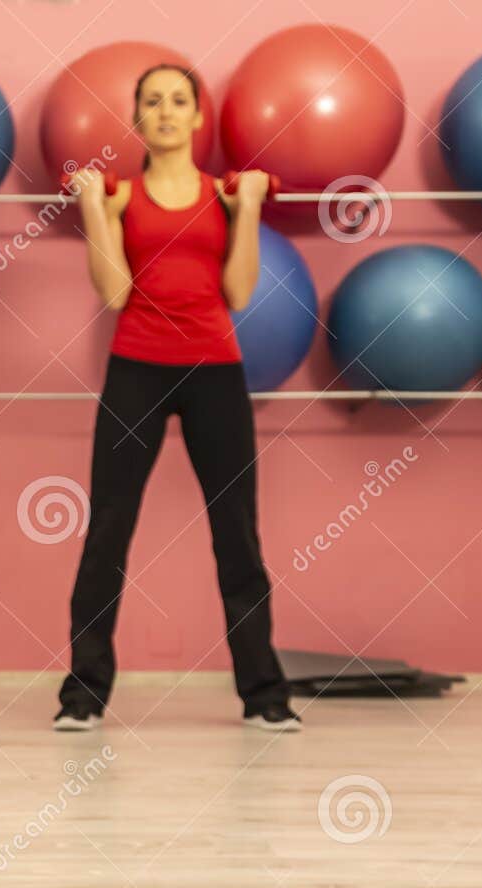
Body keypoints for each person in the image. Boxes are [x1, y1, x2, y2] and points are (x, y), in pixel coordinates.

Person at [54, 64, 299, 734]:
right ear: (138, 120)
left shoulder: (223, 197)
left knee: (238, 537)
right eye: (152, 101)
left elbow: (241, 292)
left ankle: (264, 695)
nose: (165, 111)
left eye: (179, 101)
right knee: (107, 529)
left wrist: (247, 207)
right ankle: (83, 695)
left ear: (197, 119)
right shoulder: (118, 198)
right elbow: (114, 293)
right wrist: (89, 208)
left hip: (216, 373)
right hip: (137, 368)